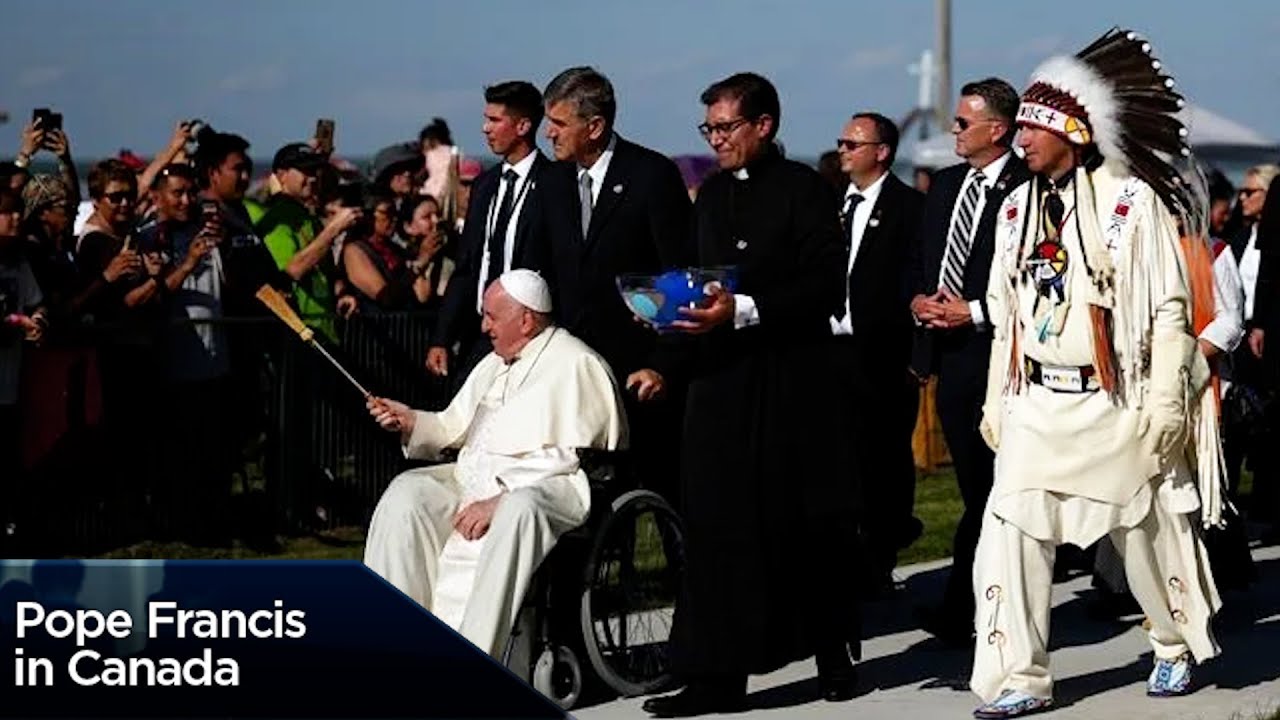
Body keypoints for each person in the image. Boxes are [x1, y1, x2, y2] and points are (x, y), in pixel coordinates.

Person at [971, 29, 1226, 717]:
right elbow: (1009, 316)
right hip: (1039, 404)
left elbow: (1170, 311)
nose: (1020, 140)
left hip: (1113, 400)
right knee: (1011, 540)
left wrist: (1167, 408)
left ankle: (1170, 643)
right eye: (1018, 126)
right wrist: (1001, 398)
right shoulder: (1018, 207)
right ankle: (1019, 677)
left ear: (1074, 134)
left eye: (1032, 127)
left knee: (1141, 539)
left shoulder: (1130, 204)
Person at [642, 72, 855, 718]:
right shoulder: (707, 195)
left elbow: (824, 289)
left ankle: (829, 648)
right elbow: (700, 281)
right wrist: (662, 332)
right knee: (714, 530)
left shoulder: (806, 192)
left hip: (788, 383)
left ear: (764, 125)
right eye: (709, 129)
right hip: (718, 384)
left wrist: (744, 309)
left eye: (726, 127)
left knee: (799, 524)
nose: (717, 140)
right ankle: (714, 676)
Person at [362, 269, 626, 657]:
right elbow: (454, 427)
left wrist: (499, 498)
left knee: (518, 510)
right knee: (407, 494)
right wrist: (410, 419)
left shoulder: (576, 362)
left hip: (547, 487)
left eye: (491, 316)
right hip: (472, 480)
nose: (484, 326)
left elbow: (573, 457)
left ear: (526, 319)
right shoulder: (493, 364)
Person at [909, 77, 1030, 644]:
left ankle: (977, 605)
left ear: (997, 130)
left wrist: (975, 311)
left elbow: (1037, 277)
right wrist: (919, 302)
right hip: (952, 360)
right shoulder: (947, 185)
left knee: (997, 488)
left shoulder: (1026, 186)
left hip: (1003, 354)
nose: (953, 131)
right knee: (976, 488)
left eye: (962, 123)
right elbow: (927, 259)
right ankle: (979, 602)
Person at [539, 65, 695, 506]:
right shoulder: (551, 182)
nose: (548, 134)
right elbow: (542, 269)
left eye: (559, 124)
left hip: (638, 374)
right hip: (570, 373)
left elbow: (678, 275)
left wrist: (664, 365)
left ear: (594, 127)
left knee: (662, 489)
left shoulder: (651, 175)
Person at [832, 111, 926, 594]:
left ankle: (881, 552)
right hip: (832, 352)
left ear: (881, 151)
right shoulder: (832, 205)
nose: (844, 149)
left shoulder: (909, 208)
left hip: (885, 355)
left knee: (883, 458)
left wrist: (917, 359)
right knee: (840, 459)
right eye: (842, 142)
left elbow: (918, 280)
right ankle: (850, 553)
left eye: (854, 143)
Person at [427, 81, 553, 390]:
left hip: (532, 337)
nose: (485, 128)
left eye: (495, 120)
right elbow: (467, 265)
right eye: (486, 119)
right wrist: (442, 337)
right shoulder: (485, 186)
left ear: (523, 125)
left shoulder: (554, 184)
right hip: (479, 333)